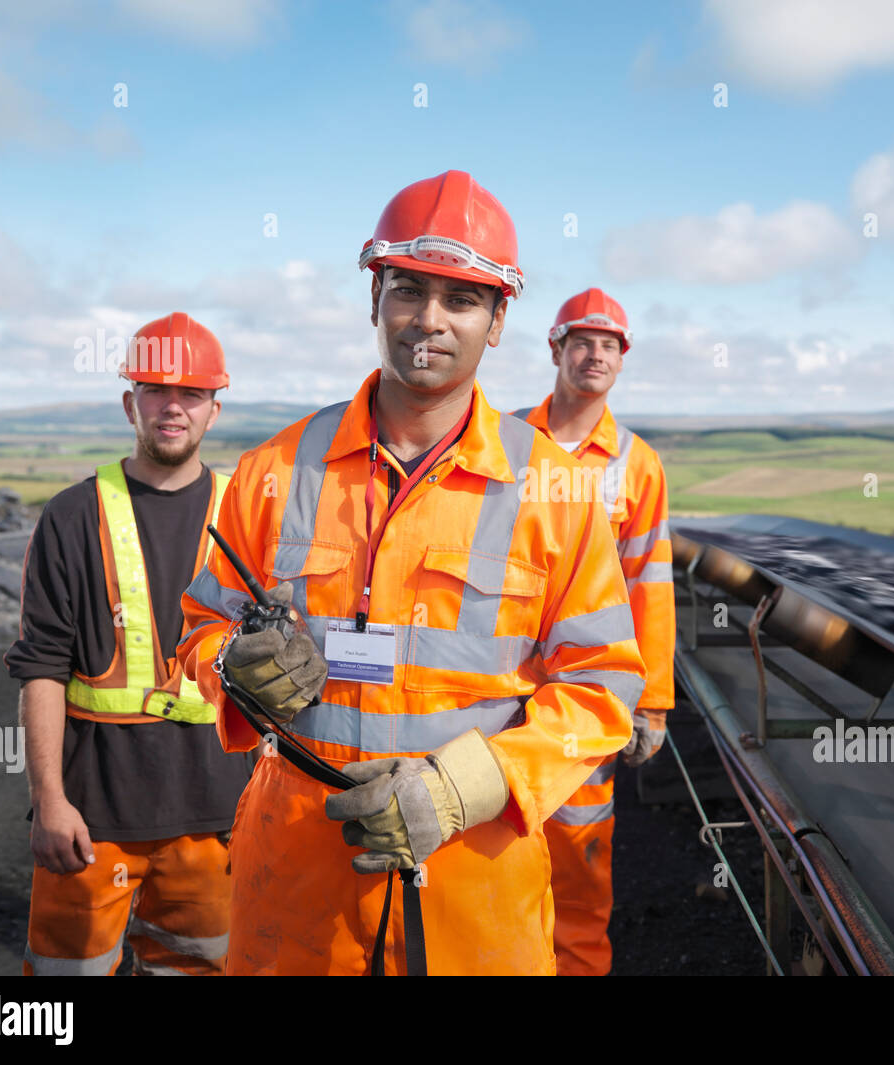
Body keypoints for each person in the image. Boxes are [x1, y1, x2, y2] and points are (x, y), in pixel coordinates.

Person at [178, 170, 646, 976]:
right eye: (407, 289)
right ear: (374, 300)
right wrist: (232, 667)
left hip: (476, 883)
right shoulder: (272, 470)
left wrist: (463, 787)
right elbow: (199, 632)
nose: (429, 319)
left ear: (498, 321)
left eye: (462, 299)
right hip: (295, 884)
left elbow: (603, 688)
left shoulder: (556, 492)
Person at [6, 313, 252, 975]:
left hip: (218, 819)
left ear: (213, 408)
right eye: (154, 389)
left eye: (191, 393)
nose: (172, 405)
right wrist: (50, 801)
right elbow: (43, 669)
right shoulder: (70, 514)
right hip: (91, 822)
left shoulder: (245, 516)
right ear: (129, 402)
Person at [514, 287, 674, 975]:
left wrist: (654, 701)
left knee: (579, 863)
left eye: (609, 346)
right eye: (583, 342)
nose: (596, 355)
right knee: (497, 855)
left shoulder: (635, 464)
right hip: (502, 686)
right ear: (556, 349)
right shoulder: (506, 441)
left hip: (588, 696)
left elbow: (651, 586)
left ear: (621, 360)